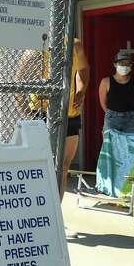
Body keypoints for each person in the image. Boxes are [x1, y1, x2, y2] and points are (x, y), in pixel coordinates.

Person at [16, 37, 89, 200]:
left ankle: (58, 209)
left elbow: (83, 69)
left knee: (63, 165)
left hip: (69, 112)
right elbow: (20, 79)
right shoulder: (36, 45)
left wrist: (81, 90)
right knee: (41, 162)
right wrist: (25, 110)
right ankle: (40, 205)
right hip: (42, 112)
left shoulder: (74, 43)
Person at [98, 49, 134, 133]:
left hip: (130, 119)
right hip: (111, 119)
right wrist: (112, 113)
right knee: (111, 144)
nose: (124, 66)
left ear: (131, 65)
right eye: (121, 63)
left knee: (131, 144)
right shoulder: (106, 82)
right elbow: (103, 102)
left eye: (127, 63)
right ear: (115, 64)